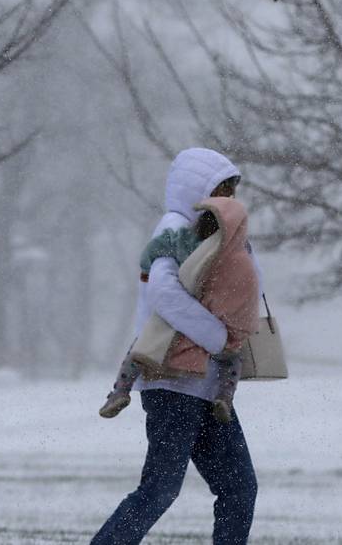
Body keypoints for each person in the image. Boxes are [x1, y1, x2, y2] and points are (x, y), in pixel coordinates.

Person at [91, 148, 260, 545]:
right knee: (160, 490)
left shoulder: (215, 235)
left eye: (232, 191)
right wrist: (219, 338)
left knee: (239, 489)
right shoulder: (174, 228)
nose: (228, 199)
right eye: (222, 189)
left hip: (205, 386)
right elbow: (163, 295)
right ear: (197, 189)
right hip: (171, 383)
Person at [99, 194, 258, 423]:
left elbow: (155, 250)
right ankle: (224, 395)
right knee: (232, 358)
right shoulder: (236, 256)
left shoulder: (184, 240)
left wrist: (146, 269)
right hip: (220, 326)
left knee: (141, 348)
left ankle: (120, 390)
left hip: (183, 319)